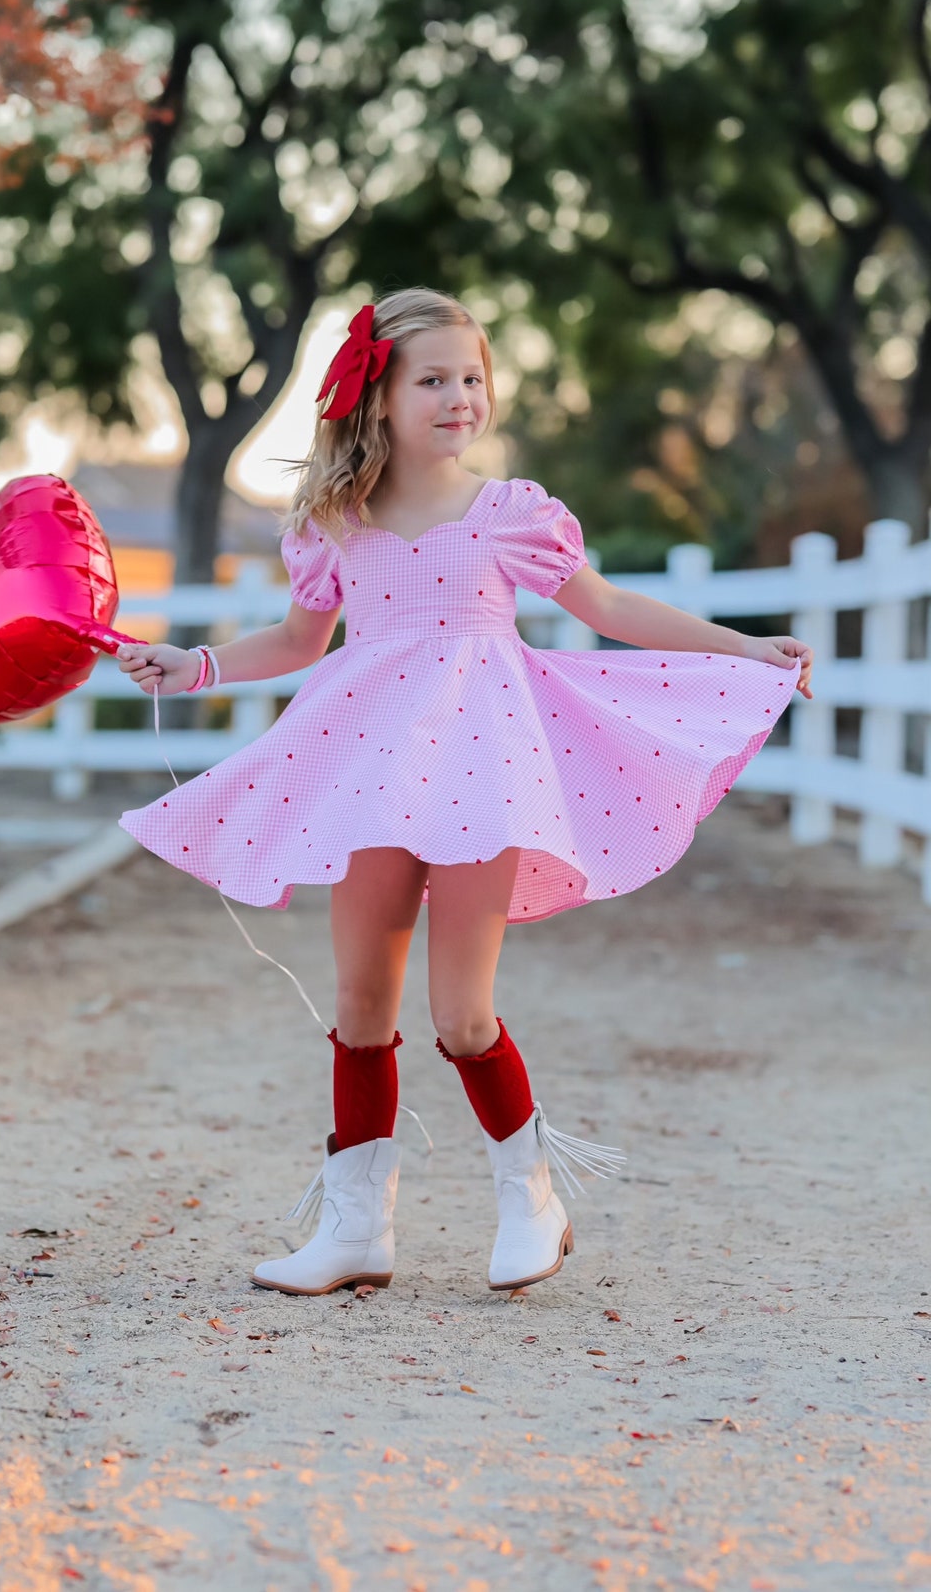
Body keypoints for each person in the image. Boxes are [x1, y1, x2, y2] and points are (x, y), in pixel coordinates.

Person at [115, 287, 814, 1299]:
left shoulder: (509, 515)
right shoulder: (335, 525)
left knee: (461, 1016)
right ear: (379, 397)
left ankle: (530, 1195)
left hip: (485, 767)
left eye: (472, 377)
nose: (459, 396)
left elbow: (608, 604)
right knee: (359, 1005)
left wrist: (745, 645)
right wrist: (197, 668)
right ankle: (357, 1230)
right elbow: (296, 642)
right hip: (368, 764)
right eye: (433, 379)